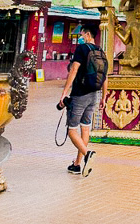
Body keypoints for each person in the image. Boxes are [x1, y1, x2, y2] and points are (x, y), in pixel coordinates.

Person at [59, 23, 108, 177]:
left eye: (81, 35)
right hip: (94, 94)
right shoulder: (101, 51)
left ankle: (87, 154)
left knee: (72, 130)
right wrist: (104, 97)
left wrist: (64, 93)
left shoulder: (82, 49)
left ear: (87, 35)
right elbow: (105, 76)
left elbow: (74, 70)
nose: (80, 38)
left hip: (80, 94)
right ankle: (77, 164)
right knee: (85, 128)